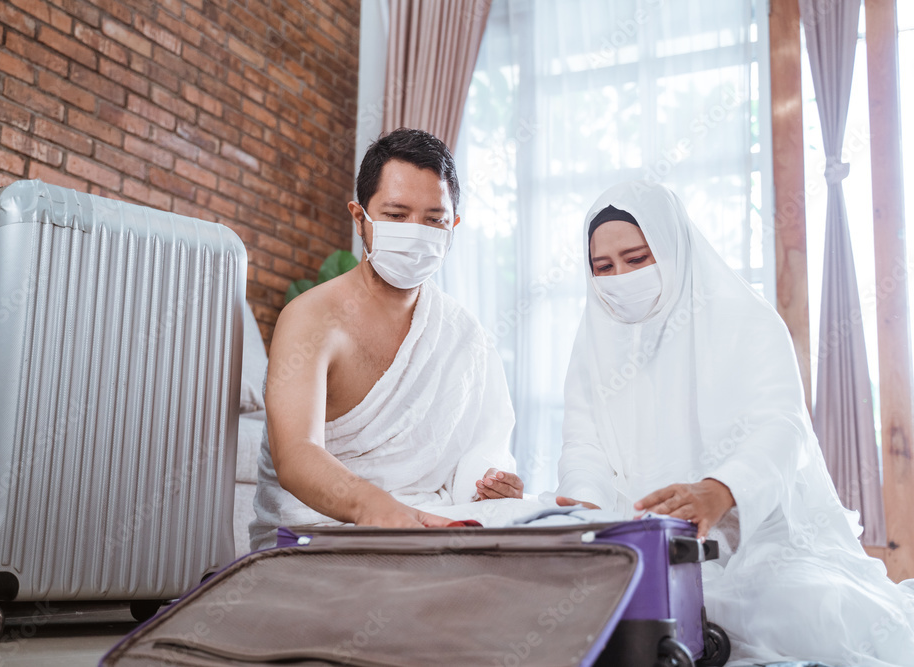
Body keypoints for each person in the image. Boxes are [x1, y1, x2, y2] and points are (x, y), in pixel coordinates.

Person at [557, 181, 914, 666]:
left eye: (637, 258)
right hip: (643, 547)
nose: (620, 276)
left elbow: (781, 428)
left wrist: (721, 489)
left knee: (806, 613)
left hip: (762, 547)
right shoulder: (594, 341)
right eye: (604, 266)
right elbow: (584, 445)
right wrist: (583, 512)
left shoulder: (745, 319)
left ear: (671, 248)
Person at [250, 128, 523, 550]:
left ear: (453, 226)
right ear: (360, 219)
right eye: (396, 216)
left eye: (434, 220)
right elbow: (296, 454)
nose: (417, 232)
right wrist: (375, 509)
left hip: (435, 525)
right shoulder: (310, 319)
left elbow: (483, 450)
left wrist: (490, 486)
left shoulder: (465, 335)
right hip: (322, 533)